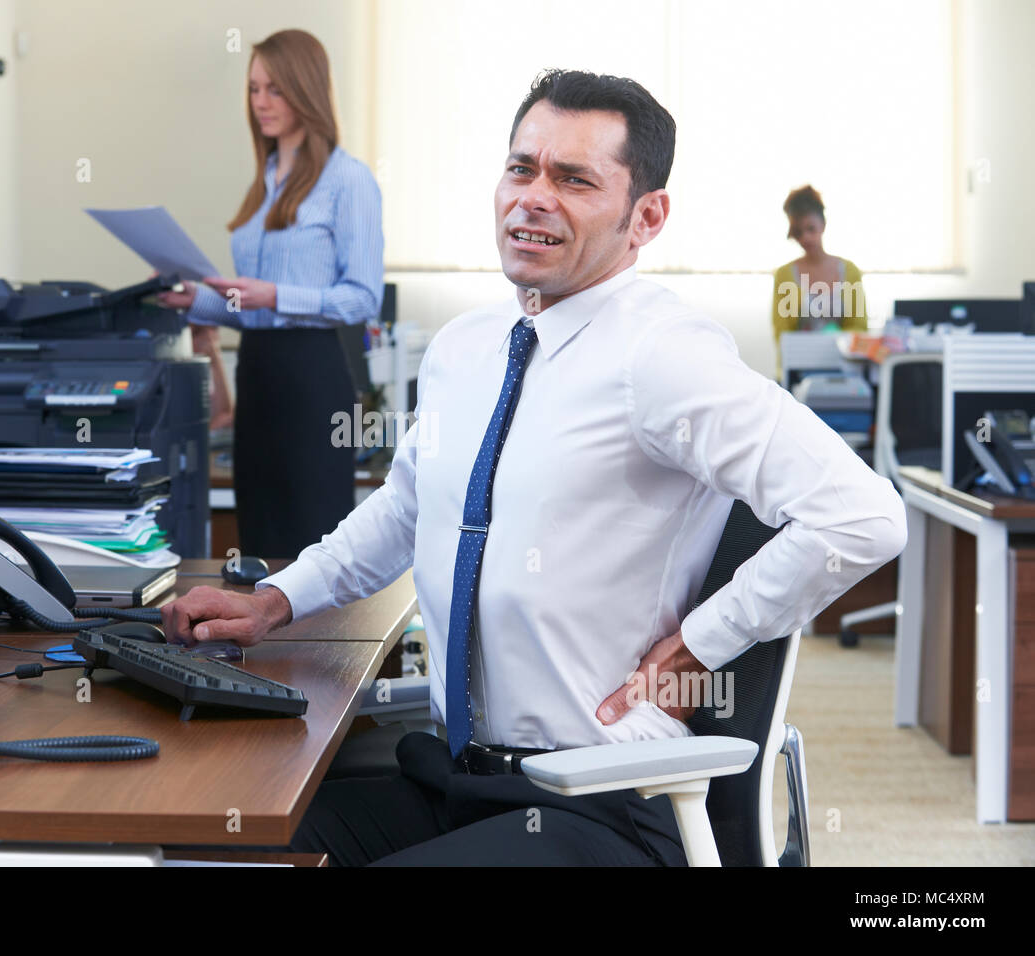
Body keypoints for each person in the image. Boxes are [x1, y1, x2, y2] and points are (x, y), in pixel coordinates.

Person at [159, 70, 907, 866]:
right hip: (456, 778)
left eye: (574, 179)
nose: (534, 196)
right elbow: (406, 508)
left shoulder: (662, 354)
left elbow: (863, 515)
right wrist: (277, 599)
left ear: (646, 216)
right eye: (522, 168)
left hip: (600, 797)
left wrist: (701, 641)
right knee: (216, 843)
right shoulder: (465, 347)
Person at [160, 29, 383, 558]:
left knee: (311, 543)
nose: (261, 102)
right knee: (259, 540)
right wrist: (197, 298)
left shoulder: (349, 180)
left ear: (306, 90)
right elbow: (249, 307)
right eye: (254, 88)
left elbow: (362, 297)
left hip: (312, 378)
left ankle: (320, 646)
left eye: (275, 89)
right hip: (257, 374)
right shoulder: (265, 180)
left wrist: (276, 295)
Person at [771, 185, 868, 378]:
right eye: (798, 232)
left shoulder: (850, 272)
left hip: (845, 369)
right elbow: (782, 334)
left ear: (823, 225)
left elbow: (859, 327)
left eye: (810, 229)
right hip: (800, 371)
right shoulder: (784, 275)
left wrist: (834, 342)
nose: (806, 238)